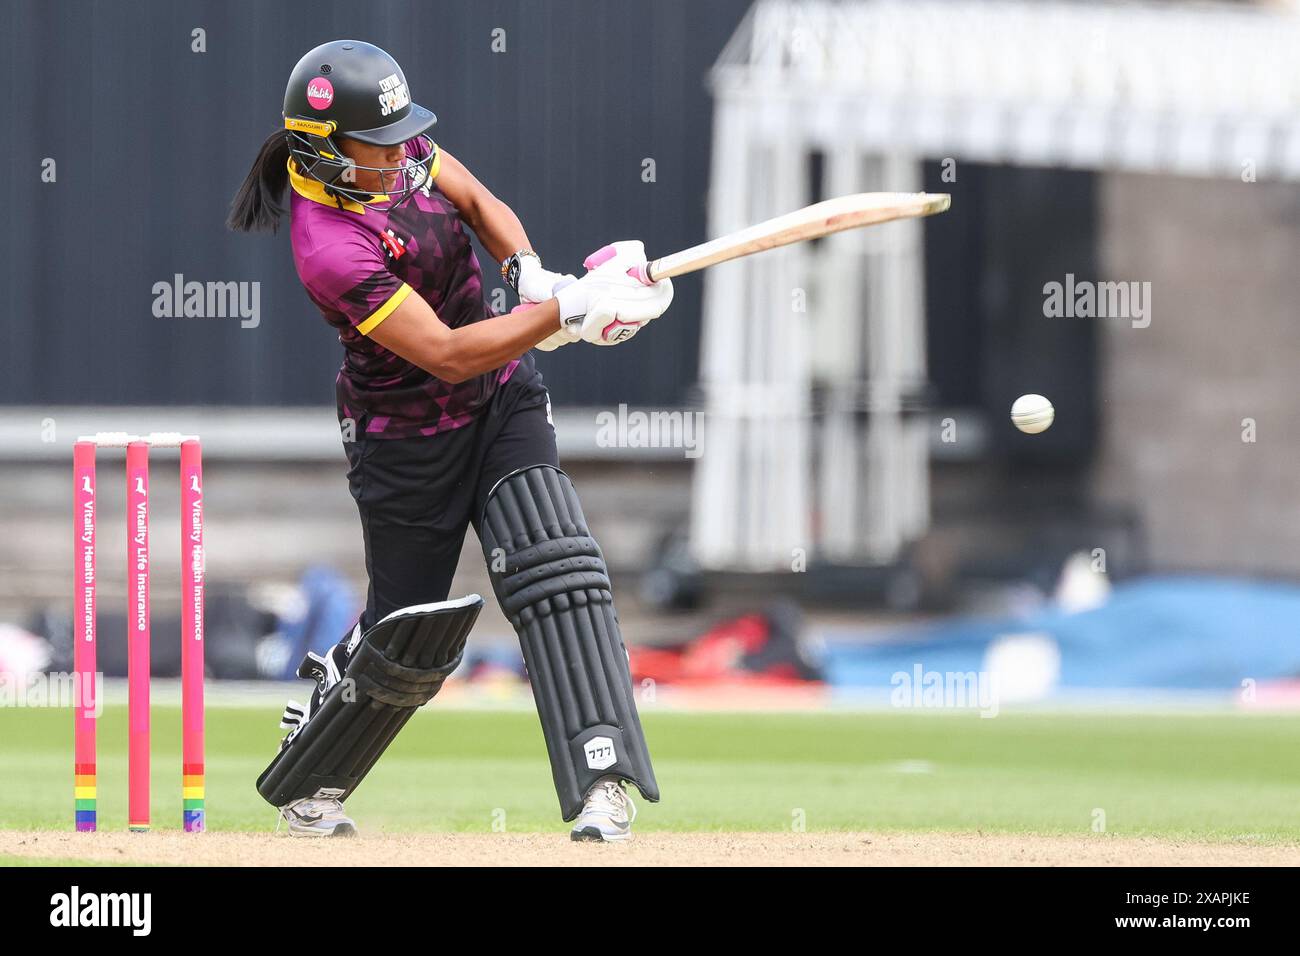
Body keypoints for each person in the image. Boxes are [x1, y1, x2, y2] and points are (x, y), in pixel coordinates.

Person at [228, 39, 670, 841]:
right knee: (410, 631)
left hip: (501, 398)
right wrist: (567, 316)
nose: (402, 157)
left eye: (405, 138)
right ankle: (315, 768)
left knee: (556, 563)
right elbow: (445, 351)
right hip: (406, 438)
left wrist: (533, 275)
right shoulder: (327, 245)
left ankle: (603, 777)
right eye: (381, 145)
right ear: (320, 150)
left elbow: (479, 203)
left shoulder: (401, 152)